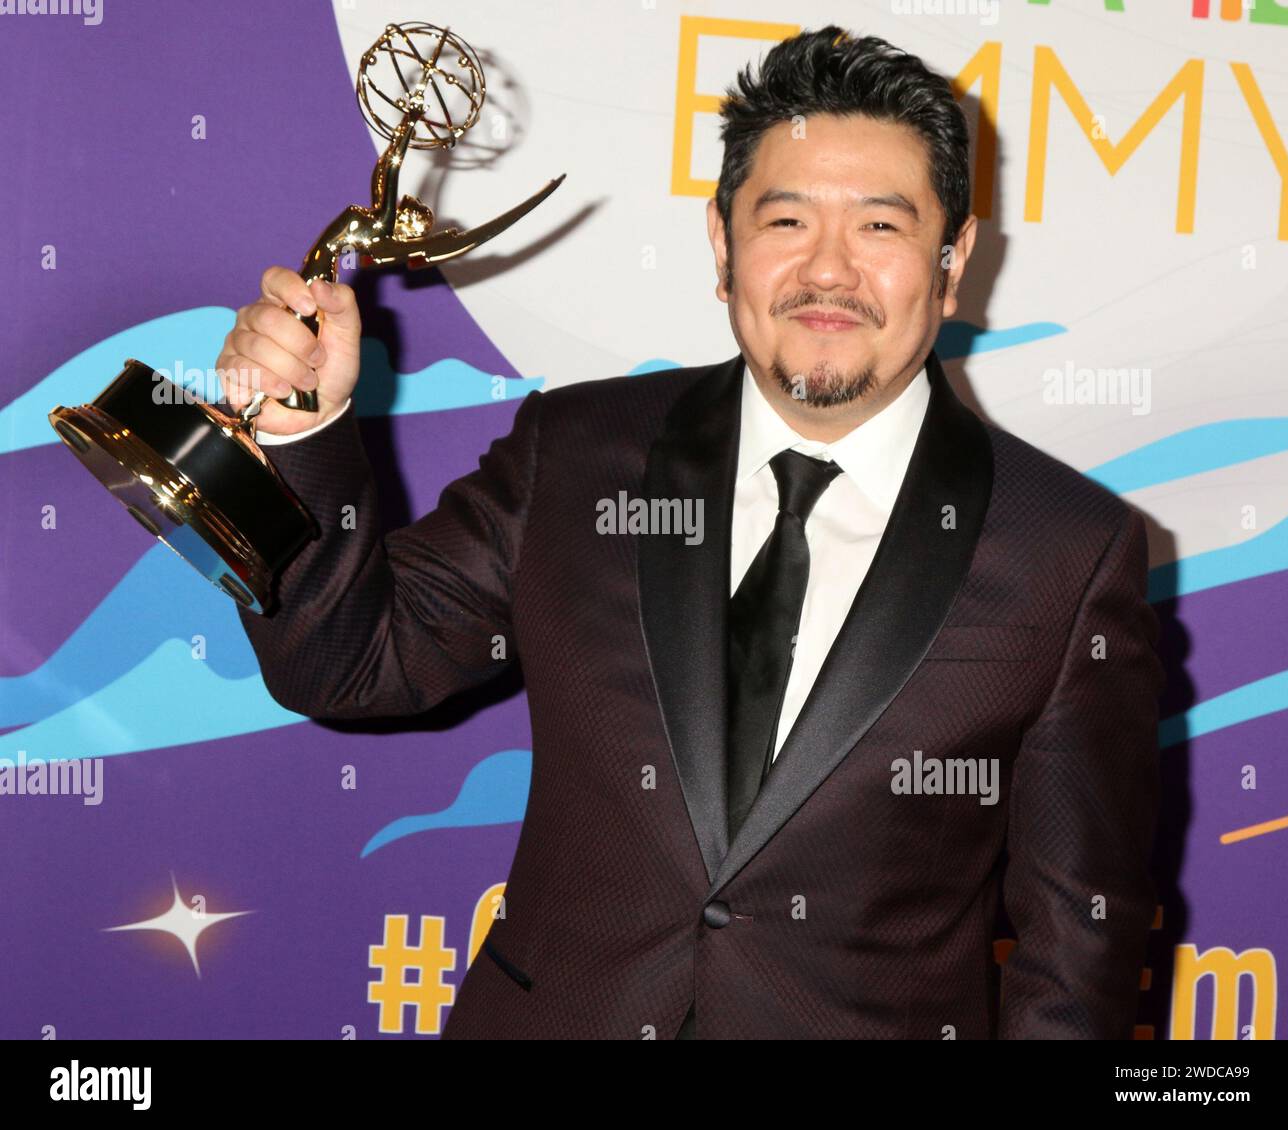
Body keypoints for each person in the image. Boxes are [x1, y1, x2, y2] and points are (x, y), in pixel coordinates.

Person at [217, 26, 1163, 1039]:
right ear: (723, 245)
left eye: (881, 227)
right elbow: (350, 663)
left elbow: (1080, 952)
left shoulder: (1066, 550)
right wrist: (308, 433)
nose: (827, 272)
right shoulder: (576, 454)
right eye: (785, 219)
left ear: (953, 257)